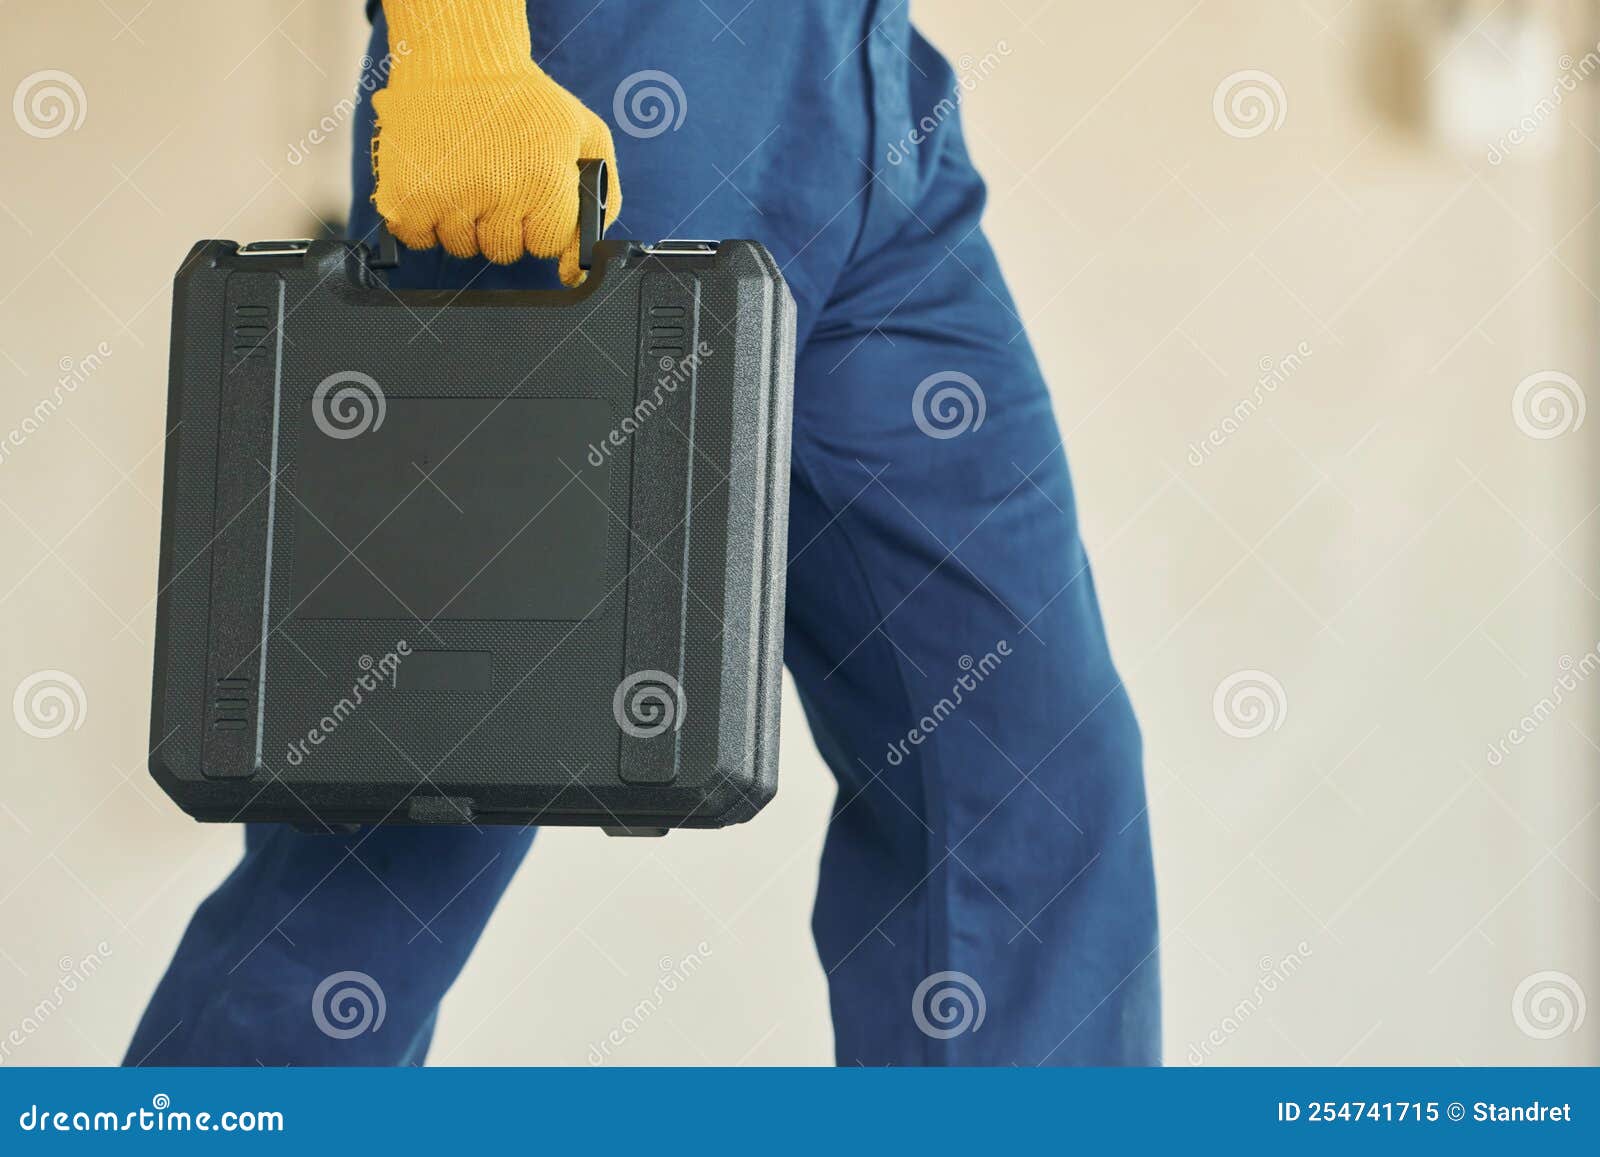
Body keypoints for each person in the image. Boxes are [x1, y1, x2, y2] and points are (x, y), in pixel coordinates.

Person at [126, 0, 1160, 1066]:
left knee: (1024, 758)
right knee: (407, 806)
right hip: (604, 91)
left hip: (868, 90)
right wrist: (456, 50)